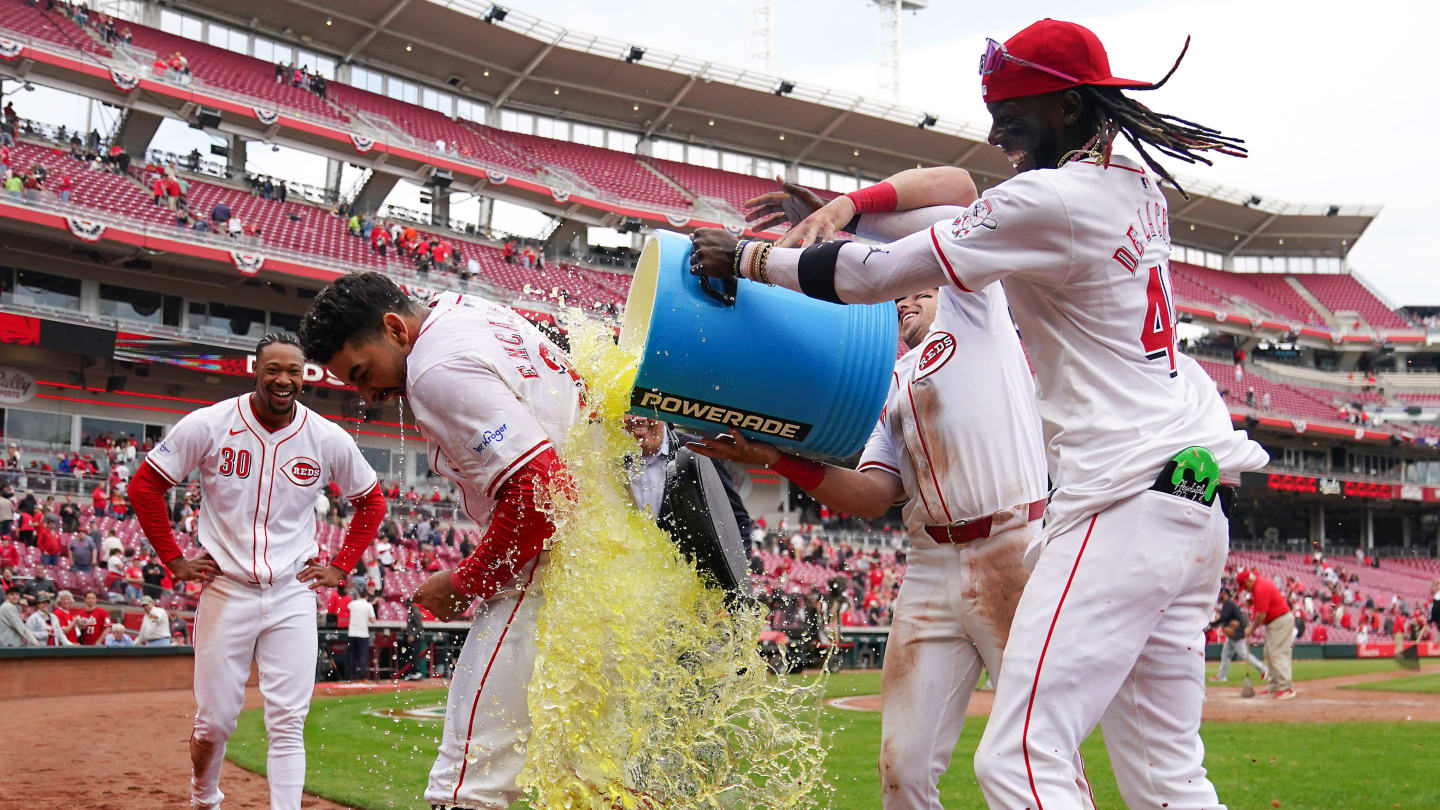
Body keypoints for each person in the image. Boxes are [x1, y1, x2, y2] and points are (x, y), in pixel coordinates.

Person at [691, 18, 1266, 810]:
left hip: (1119, 499)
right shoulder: (1132, 184)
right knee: (1167, 780)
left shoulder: (1043, 205)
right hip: (1193, 490)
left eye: (1012, 114)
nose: (997, 135)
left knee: (1021, 759)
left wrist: (753, 259)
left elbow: (879, 270)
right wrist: (843, 221)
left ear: (1069, 107)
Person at [299, 271, 586, 809]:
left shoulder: (433, 367)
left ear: (394, 328)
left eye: (362, 373)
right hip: (607, 546)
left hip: (554, 560)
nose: (367, 395)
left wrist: (465, 582)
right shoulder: (464, 308)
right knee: (590, 771)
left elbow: (542, 490)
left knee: (467, 779)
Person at [126, 332, 386, 810]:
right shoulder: (210, 423)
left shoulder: (326, 436)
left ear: (305, 376)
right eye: (273, 369)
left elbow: (372, 501)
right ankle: (204, 796)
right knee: (214, 723)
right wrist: (173, 559)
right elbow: (144, 486)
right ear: (256, 371)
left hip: (291, 591)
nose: (283, 379)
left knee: (288, 721)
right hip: (227, 589)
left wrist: (340, 565)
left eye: (293, 371)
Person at [1237, 569, 1294, 699]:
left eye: (1245, 586)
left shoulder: (1260, 588)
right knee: (1269, 653)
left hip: (1280, 621)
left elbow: (1261, 615)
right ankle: (1274, 687)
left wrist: (1251, 630)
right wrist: (1253, 602)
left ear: (1248, 580)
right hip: (1275, 622)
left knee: (1277, 653)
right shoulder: (1258, 586)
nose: (1245, 589)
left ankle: (1286, 688)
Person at [1209, 587, 1265, 682]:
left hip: (1237, 634)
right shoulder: (1229, 603)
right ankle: (1222, 676)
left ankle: (1263, 669)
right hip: (1233, 634)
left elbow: (1224, 617)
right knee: (1225, 654)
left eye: (1221, 594)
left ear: (1225, 594)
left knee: (1243, 654)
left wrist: (1213, 624)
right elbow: (1226, 619)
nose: (1220, 596)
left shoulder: (1228, 603)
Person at [345, 587, 375, 680]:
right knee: (362, 656)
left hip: (352, 633)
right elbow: (373, 620)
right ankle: (362, 676)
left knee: (352, 656)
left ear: (358, 595)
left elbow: (347, 609)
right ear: (366, 597)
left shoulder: (352, 604)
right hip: (363, 634)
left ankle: (352, 676)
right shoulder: (368, 605)